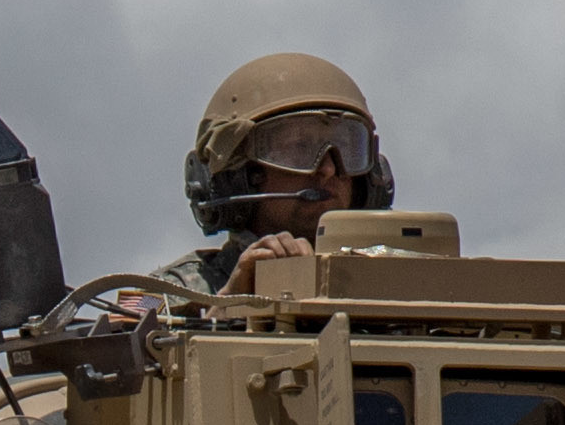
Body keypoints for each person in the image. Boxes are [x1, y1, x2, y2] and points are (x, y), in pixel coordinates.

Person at [163, 51, 396, 291]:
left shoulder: (399, 282)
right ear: (238, 176)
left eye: (347, 149)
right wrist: (226, 310)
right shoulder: (179, 295)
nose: (328, 168)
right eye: (300, 148)